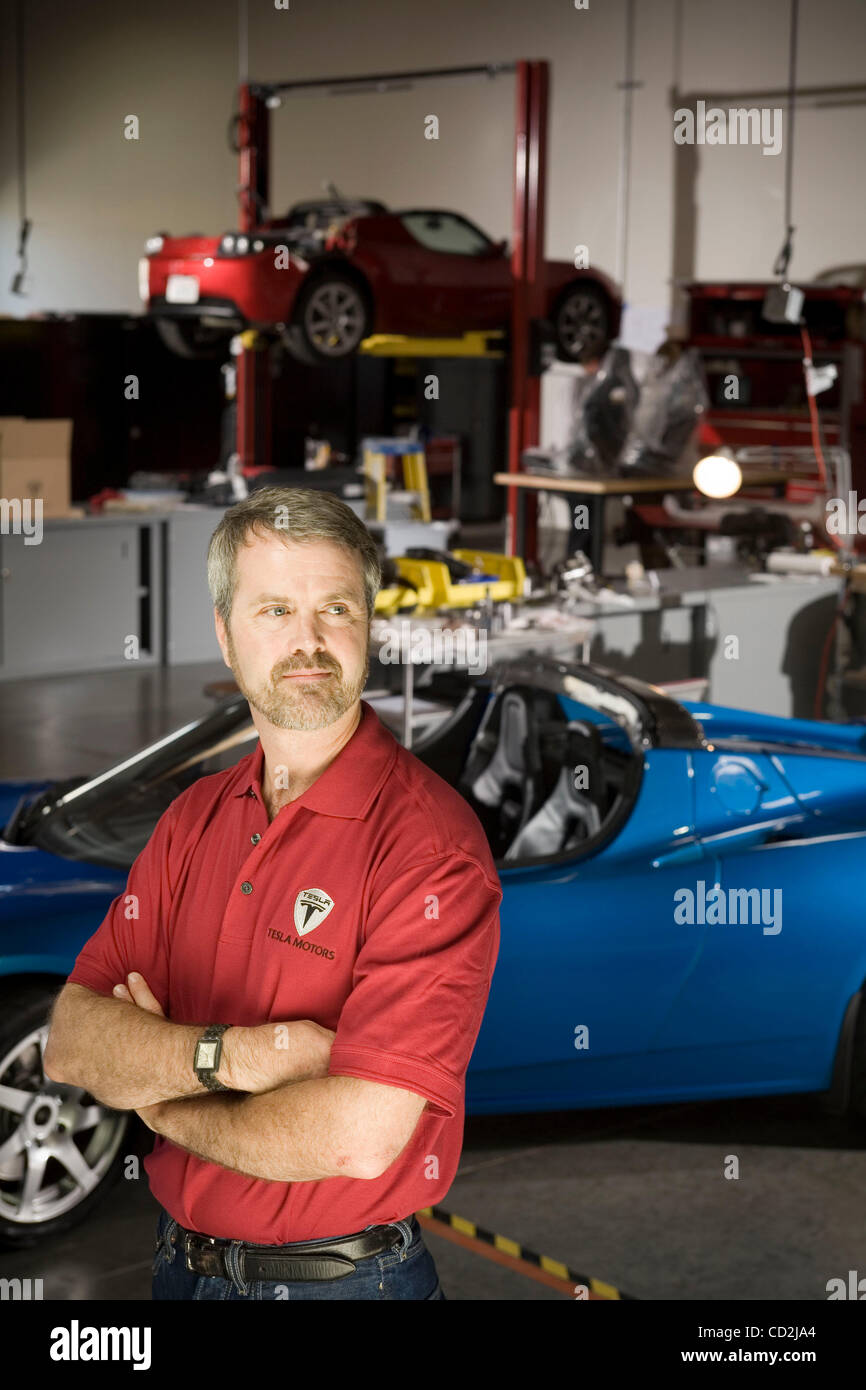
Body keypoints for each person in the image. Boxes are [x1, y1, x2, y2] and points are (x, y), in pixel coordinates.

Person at [43, 487, 502, 1301]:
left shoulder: (428, 851)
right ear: (226, 635)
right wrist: (252, 1056)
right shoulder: (194, 819)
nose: (310, 641)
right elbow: (75, 1041)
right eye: (275, 610)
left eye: (336, 607)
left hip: (346, 1284)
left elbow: (358, 1140)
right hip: (180, 1270)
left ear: (368, 625)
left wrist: (165, 1103)